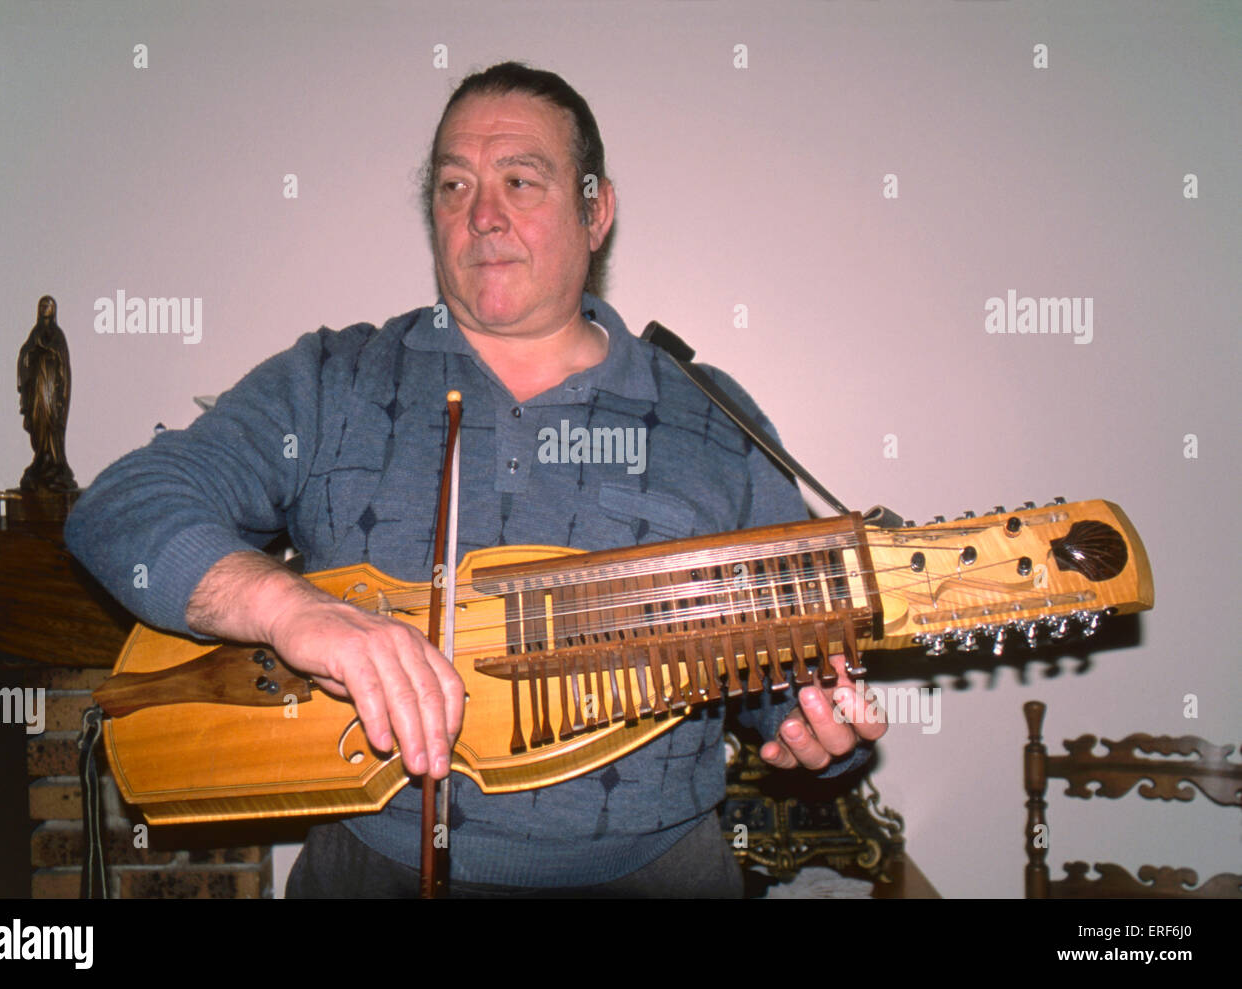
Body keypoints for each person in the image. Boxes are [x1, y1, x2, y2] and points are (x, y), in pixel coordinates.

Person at [65, 62, 886, 897]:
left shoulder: (714, 418)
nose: (482, 215)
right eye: (454, 186)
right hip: (370, 872)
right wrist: (293, 610)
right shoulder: (335, 378)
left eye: (520, 180)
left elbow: (790, 670)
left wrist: (816, 726)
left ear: (596, 209)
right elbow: (119, 508)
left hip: (657, 875)